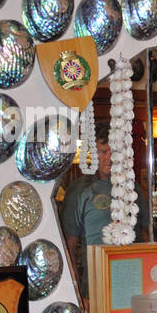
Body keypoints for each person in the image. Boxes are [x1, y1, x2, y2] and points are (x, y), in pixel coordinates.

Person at [59, 125, 113, 299]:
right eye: (104, 152)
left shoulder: (132, 188)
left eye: (115, 152)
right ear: (93, 154)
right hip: (93, 289)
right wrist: (78, 296)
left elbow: (144, 239)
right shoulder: (80, 190)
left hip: (131, 282)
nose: (110, 158)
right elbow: (68, 246)